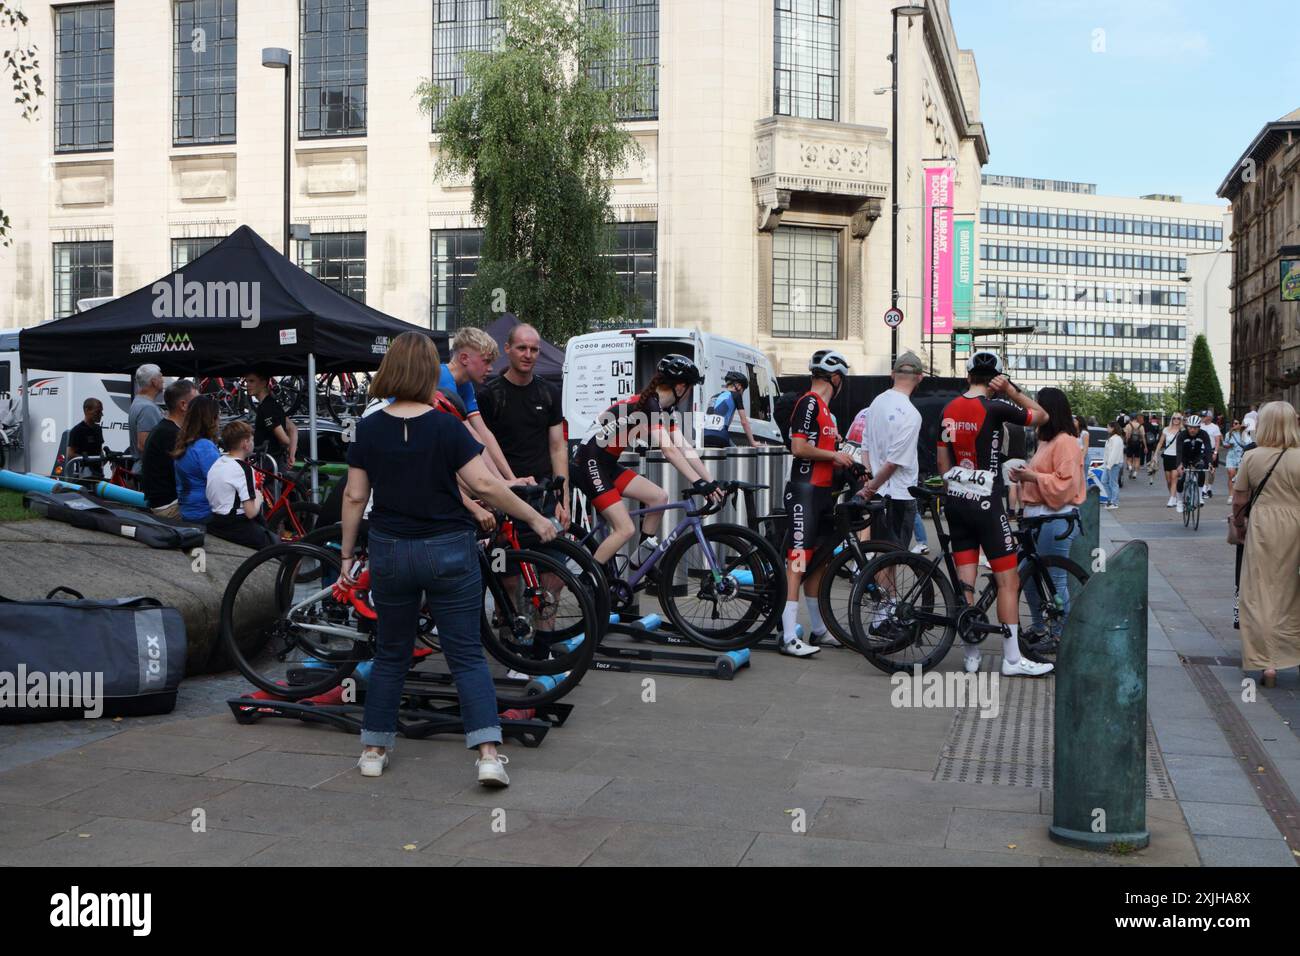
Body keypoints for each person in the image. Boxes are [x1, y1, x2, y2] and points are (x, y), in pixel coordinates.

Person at [337, 331, 557, 782]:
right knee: (467, 656)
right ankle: (488, 756)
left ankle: (374, 749)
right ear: (427, 374)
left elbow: (356, 497)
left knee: (392, 653)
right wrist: (534, 519)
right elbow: (486, 486)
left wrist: (345, 555)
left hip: (391, 553)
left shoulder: (369, 428)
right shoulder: (446, 427)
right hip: (447, 552)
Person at [936, 350, 1051, 677]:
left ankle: (971, 654)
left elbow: (943, 464)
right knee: (1007, 580)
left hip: (956, 501)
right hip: (987, 503)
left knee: (966, 579)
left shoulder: (949, 408)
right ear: (997, 378)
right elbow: (1040, 416)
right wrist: (1011, 391)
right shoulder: (996, 405)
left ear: (968, 374)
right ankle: (1013, 659)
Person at [571, 354, 720, 568]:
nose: (690, 393)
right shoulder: (650, 404)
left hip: (607, 464)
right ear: (680, 387)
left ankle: (641, 561)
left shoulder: (664, 409)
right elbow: (669, 450)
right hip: (589, 463)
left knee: (659, 497)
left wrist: (710, 482)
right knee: (625, 529)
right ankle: (589, 583)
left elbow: (685, 448)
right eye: (690, 388)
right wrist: (698, 483)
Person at [779, 349, 855, 657]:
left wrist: (849, 462)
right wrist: (833, 455)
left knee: (820, 562)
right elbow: (798, 447)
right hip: (804, 492)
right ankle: (787, 636)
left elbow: (826, 450)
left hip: (823, 494)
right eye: (842, 381)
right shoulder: (809, 403)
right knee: (797, 564)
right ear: (836, 378)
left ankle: (820, 631)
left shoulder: (825, 410)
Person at [1009, 387, 1085, 654]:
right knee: (1027, 577)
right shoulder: (1047, 441)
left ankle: (1059, 633)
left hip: (1054, 518)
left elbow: (1067, 484)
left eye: (1039, 408)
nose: (1034, 414)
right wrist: (1026, 475)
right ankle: (1042, 627)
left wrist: (1032, 477)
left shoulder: (1065, 442)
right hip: (1039, 518)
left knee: (1055, 579)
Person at [1231, 402, 1300, 688]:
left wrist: (1239, 527)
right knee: (1291, 591)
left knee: (1258, 592)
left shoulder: (1252, 457)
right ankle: (1291, 653)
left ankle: (1267, 664)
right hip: (1296, 524)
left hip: (1262, 526)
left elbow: (1239, 500)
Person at [478, 323, 569, 528]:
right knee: (509, 558)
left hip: (543, 494)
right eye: (522, 348)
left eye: (534, 349)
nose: (528, 354)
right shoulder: (489, 395)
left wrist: (564, 499)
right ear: (507, 349)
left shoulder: (549, 392)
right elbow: (480, 448)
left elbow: (557, 448)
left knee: (554, 558)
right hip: (506, 496)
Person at [858, 351, 924, 552]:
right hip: (900, 494)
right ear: (920, 378)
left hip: (877, 492)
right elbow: (894, 462)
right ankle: (885, 586)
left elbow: (865, 444)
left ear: (892, 374)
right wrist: (871, 487)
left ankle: (879, 585)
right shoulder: (912, 415)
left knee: (881, 554)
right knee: (892, 557)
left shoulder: (877, 401)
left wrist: (869, 481)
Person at [441, 326, 523, 482]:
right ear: (464, 358)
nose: (490, 368)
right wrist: (501, 483)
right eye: (486, 361)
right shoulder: (444, 379)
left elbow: (483, 433)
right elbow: (470, 436)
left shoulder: (465, 383)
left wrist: (510, 479)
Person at [205, 420, 276, 549]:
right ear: (245, 443)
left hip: (215, 522)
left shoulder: (218, 462)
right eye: (252, 440)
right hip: (236, 526)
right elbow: (250, 512)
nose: (253, 443)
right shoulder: (245, 469)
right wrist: (259, 499)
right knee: (286, 552)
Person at [141, 379, 197, 518]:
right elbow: (189, 475)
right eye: (196, 402)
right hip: (169, 506)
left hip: (163, 503)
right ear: (183, 405)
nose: (200, 407)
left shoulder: (164, 429)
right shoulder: (170, 434)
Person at [171, 394, 221, 524]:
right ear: (211, 419)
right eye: (217, 416)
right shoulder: (205, 447)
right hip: (205, 513)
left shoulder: (185, 444)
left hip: (188, 511)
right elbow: (220, 485)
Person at [245, 369, 297, 471]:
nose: (247, 385)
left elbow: (284, 439)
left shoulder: (266, 408)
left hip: (268, 463)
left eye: (251, 381)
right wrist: (292, 454)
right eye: (247, 382)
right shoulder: (273, 403)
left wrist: (289, 447)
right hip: (274, 462)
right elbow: (293, 428)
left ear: (264, 382)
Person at [702, 370, 760, 448]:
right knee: (737, 455)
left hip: (704, 436)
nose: (742, 393)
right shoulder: (736, 395)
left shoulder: (714, 396)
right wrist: (752, 442)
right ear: (738, 386)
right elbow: (744, 422)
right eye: (743, 390)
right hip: (720, 436)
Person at [128, 364, 165, 475]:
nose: (163, 380)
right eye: (161, 377)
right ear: (154, 382)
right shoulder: (147, 408)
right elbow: (144, 444)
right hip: (150, 470)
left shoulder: (138, 402)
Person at [1175, 415, 1214, 513]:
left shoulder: (1203, 434)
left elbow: (1208, 449)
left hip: (1197, 457)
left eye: (1195, 428)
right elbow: (1179, 451)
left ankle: (1200, 496)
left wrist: (1210, 463)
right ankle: (1179, 501)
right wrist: (1179, 465)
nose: (1192, 430)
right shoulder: (1182, 435)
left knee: (1201, 470)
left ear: (1199, 427)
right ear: (1187, 426)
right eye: (1190, 427)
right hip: (1184, 457)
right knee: (1181, 478)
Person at [65, 398, 105, 478]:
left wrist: (104, 458)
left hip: (98, 472)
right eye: (98, 412)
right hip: (83, 473)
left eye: (101, 411)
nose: (101, 414)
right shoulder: (77, 430)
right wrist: (83, 458)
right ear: (87, 410)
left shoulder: (98, 429)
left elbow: (100, 450)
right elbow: (70, 454)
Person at [1157, 413, 1184, 506]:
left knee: (1174, 478)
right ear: (1172, 419)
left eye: (1178, 418)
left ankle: (1172, 499)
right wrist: (1155, 455)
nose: (1176, 420)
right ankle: (1173, 496)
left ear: (1181, 420)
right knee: (1168, 481)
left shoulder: (1182, 431)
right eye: (1174, 418)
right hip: (1167, 456)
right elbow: (1161, 442)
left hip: (1177, 457)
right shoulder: (1166, 430)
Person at [1102, 420, 1125, 509]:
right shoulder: (1113, 438)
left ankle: (1114, 502)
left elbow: (1114, 453)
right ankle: (1111, 500)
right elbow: (1108, 453)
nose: (1107, 429)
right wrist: (1106, 464)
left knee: (1113, 483)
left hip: (1114, 464)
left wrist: (1109, 465)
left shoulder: (1116, 439)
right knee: (1104, 481)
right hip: (1110, 464)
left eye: (1108, 427)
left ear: (1113, 428)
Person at [1199, 410, 1222, 497]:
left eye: (1204, 416)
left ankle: (1209, 488)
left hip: (1212, 450)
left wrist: (1215, 452)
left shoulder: (1215, 427)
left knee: (1212, 471)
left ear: (1209, 417)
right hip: (1202, 450)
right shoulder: (1200, 426)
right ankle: (1204, 489)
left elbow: (1217, 441)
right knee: (1204, 470)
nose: (1202, 418)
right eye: (1201, 416)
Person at [1223, 418, 1250, 489]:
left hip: (1241, 457)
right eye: (1233, 423)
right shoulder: (1229, 434)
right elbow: (1224, 444)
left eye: (1236, 423)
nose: (1233, 425)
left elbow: (1250, 445)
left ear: (1240, 425)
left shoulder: (1245, 434)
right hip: (1231, 456)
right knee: (1231, 475)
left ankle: (1237, 493)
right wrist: (1228, 445)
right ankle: (1231, 496)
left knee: (1240, 478)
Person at [1124, 413, 1146, 478]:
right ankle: (1135, 473)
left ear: (1131, 418)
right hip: (1138, 444)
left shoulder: (1128, 425)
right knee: (1137, 459)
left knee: (1128, 458)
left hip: (1130, 444)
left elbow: (1127, 436)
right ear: (1136, 418)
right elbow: (1143, 437)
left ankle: (1130, 467)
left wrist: (1126, 442)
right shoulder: (1141, 426)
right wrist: (1145, 447)